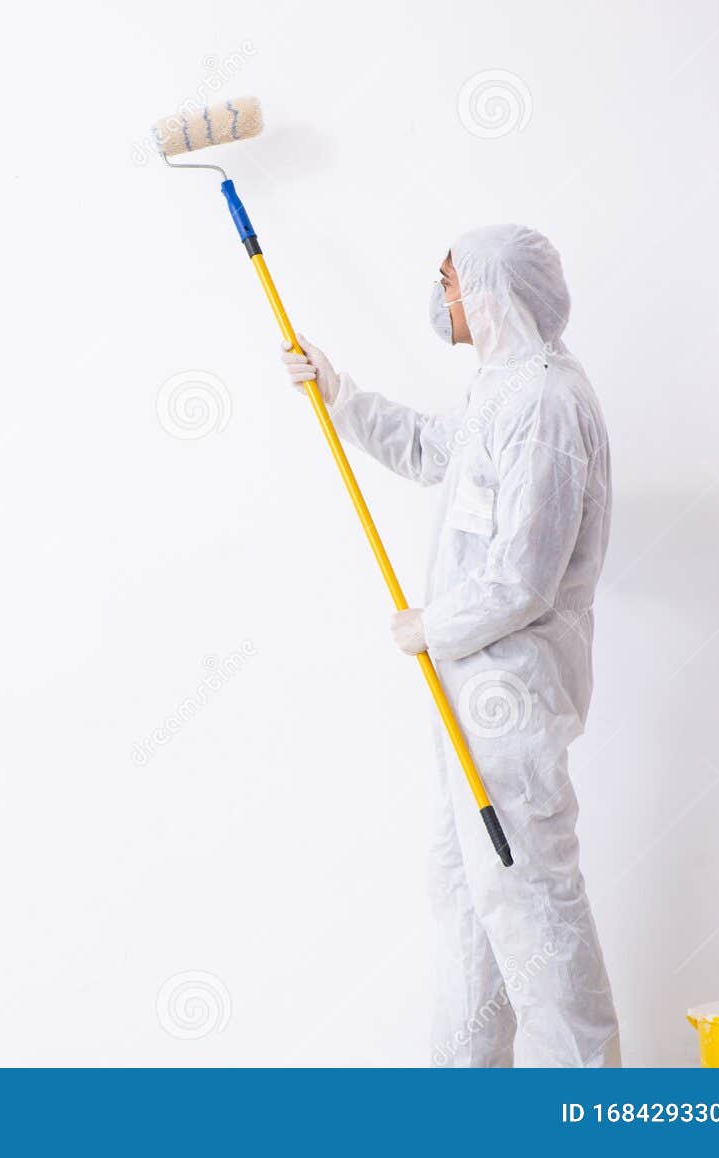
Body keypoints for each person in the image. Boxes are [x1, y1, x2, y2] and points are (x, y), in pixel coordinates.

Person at [280, 225, 620, 1067]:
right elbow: (435, 451)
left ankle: (585, 1109)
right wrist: (340, 395)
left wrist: (430, 627)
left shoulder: (545, 404)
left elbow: (523, 579)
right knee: (468, 903)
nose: (442, 299)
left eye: (451, 280)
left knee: (533, 908)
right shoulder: (497, 391)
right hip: (468, 696)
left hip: (513, 698)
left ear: (494, 290)